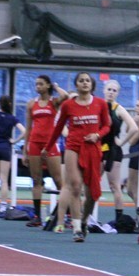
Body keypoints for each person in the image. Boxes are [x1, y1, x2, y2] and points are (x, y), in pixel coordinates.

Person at [44, 72, 111, 242]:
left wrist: (97, 135)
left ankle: (84, 220)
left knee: (92, 194)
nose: (85, 83)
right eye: (81, 81)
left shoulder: (100, 104)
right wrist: (48, 147)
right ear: (76, 85)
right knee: (75, 186)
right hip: (73, 147)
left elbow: (107, 126)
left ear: (92, 85)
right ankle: (77, 228)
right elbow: (58, 127)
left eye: (87, 80)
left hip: (93, 149)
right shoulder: (68, 105)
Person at [22, 75, 69, 226]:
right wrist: (25, 151)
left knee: (58, 180)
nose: (38, 86)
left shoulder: (54, 102)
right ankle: (37, 217)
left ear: (47, 85)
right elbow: (28, 128)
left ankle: (67, 214)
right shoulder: (31, 104)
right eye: (36, 84)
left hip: (50, 143)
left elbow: (66, 96)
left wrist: (55, 87)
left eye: (41, 84)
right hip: (35, 143)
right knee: (36, 180)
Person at [99, 80, 138, 220]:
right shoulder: (98, 106)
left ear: (118, 93)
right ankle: (87, 218)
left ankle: (119, 219)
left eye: (114, 90)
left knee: (114, 186)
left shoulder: (119, 109)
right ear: (104, 90)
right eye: (109, 89)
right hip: (98, 148)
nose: (111, 92)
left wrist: (122, 142)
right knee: (91, 184)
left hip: (113, 151)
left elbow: (134, 127)